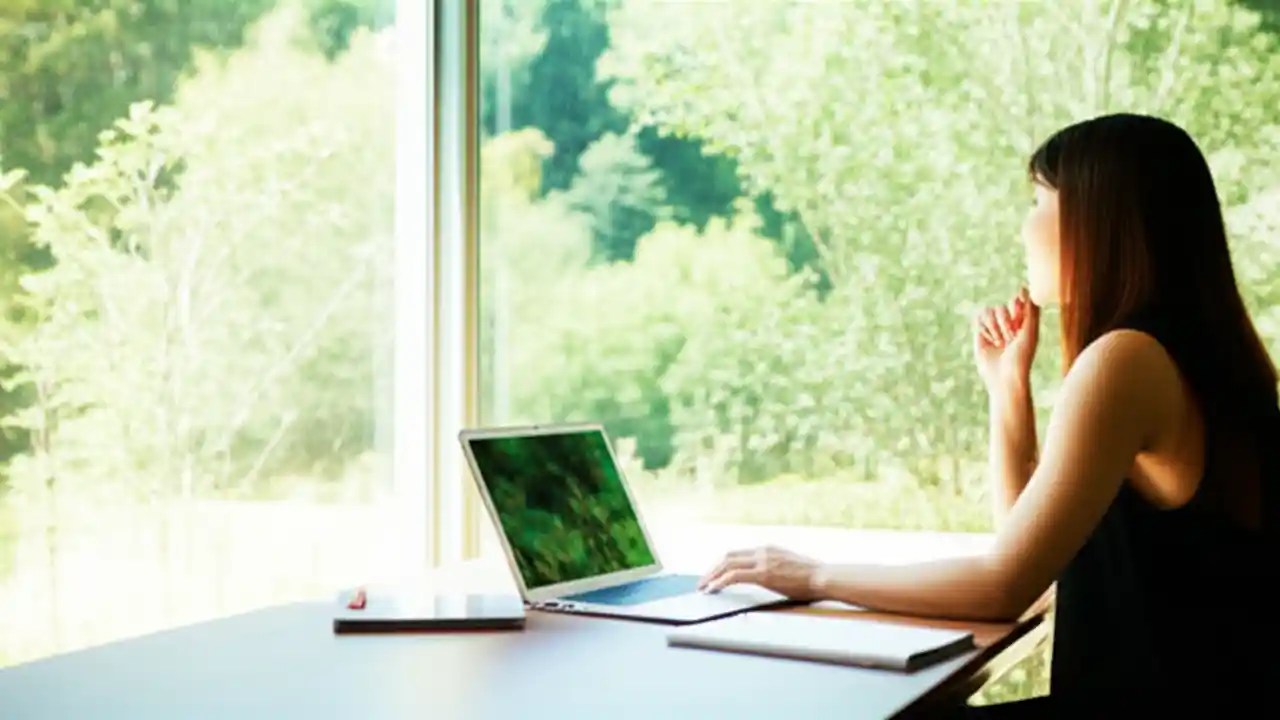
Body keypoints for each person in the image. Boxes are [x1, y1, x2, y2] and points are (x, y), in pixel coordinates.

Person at [697, 113, 1278, 716]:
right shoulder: (1187, 355)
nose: (1024, 226)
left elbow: (1004, 587)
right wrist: (1008, 393)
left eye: (1038, 199)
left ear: (1095, 217)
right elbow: (1031, 563)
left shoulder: (1125, 360)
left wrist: (814, 576)